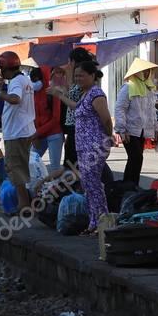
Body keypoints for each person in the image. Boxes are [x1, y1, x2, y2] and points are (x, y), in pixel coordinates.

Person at [52, 60, 113, 234]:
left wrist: (107, 140)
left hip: (94, 147)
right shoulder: (85, 94)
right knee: (88, 185)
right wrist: (59, 95)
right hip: (84, 148)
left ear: (92, 76)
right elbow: (75, 107)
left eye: (82, 75)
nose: (78, 78)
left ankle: (102, 222)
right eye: (76, 75)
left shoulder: (96, 94)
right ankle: (94, 222)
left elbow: (107, 120)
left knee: (93, 186)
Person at [0, 51, 35, 214]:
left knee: (15, 169)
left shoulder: (16, 82)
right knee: (20, 168)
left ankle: (23, 205)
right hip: (24, 129)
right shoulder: (25, 79)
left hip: (16, 132)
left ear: (6, 68)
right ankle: (24, 202)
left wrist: (1, 94)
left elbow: (15, 99)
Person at [114, 58, 158, 184]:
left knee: (136, 159)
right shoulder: (128, 87)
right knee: (136, 158)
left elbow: (151, 111)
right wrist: (121, 129)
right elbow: (120, 108)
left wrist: (156, 128)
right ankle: (129, 185)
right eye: (143, 71)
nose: (146, 73)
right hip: (129, 130)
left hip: (141, 131)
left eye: (148, 71)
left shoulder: (148, 88)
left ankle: (131, 185)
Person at [62, 47, 94, 169]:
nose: (68, 64)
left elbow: (75, 100)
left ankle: (75, 185)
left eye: (70, 61)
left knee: (73, 162)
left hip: (78, 124)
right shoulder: (77, 76)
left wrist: (60, 94)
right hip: (73, 124)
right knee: (72, 160)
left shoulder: (80, 78)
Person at [29, 66, 64, 174]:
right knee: (31, 162)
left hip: (54, 134)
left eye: (37, 79)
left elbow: (55, 119)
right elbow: (31, 116)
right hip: (39, 135)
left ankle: (57, 189)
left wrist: (37, 133)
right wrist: (35, 135)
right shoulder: (32, 94)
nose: (35, 83)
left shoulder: (53, 92)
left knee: (54, 168)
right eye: (33, 80)